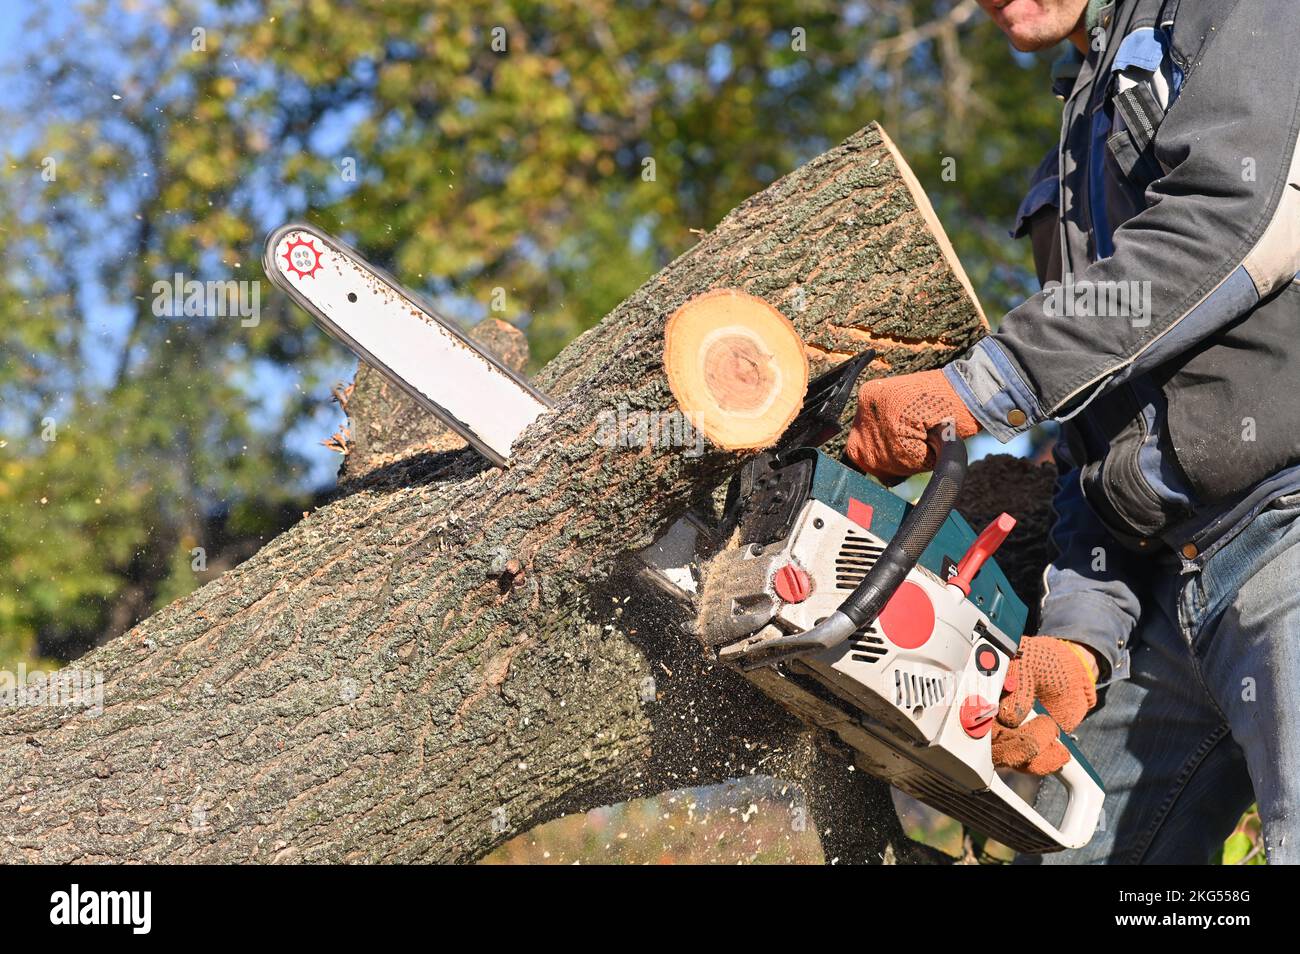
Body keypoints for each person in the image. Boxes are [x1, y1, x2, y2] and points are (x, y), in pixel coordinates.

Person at [846, 0, 1300, 864]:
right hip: (1172, 590)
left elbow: (1238, 219)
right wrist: (1082, 630)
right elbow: (1095, 427)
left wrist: (986, 384)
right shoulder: (1079, 132)